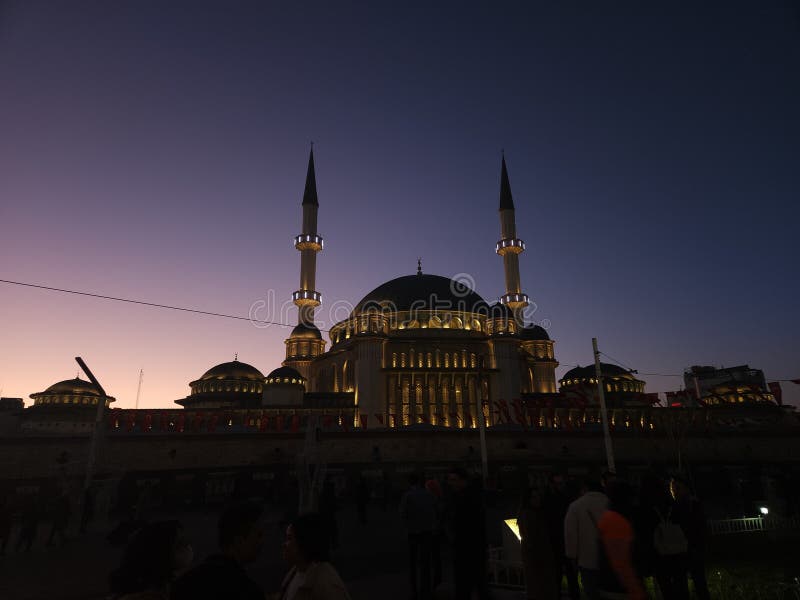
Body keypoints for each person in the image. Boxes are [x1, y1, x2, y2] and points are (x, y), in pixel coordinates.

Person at [171, 502, 264, 600]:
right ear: (239, 541)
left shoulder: (185, 583)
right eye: (258, 535)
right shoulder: (248, 591)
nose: (261, 542)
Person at [110, 520, 192, 600]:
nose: (188, 547)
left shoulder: (163, 588)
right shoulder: (146, 596)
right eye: (179, 544)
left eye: (186, 541)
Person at [278, 512, 351, 600]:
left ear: (304, 542)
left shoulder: (327, 586)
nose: (284, 544)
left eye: (289, 538)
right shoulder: (296, 571)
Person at [596, 481, 646, 600]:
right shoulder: (618, 521)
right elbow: (621, 562)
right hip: (619, 588)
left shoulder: (608, 517)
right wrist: (635, 589)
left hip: (610, 584)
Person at [446, 467, 490, 600]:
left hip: (469, 548)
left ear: (463, 481)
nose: (451, 483)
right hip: (467, 548)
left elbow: (471, 524)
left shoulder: (468, 498)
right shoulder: (460, 496)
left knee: (468, 585)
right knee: (474, 585)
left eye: (454, 480)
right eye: (450, 480)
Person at [564, 476, 608, 600]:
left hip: (586, 559)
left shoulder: (576, 506)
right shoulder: (610, 502)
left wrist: (572, 556)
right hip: (610, 557)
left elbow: (571, 535)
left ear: (584, 489)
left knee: (592, 593)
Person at [670, 476, 710, 600]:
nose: (674, 491)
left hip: (693, 547)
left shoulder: (693, 504)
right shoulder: (673, 507)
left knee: (698, 580)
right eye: (672, 488)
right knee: (682, 582)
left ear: (686, 489)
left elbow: (700, 526)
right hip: (680, 548)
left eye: (677, 488)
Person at [400, 473, 437, 599]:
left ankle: (414, 590)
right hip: (427, 532)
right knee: (425, 562)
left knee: (413, 562)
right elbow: (435, 510)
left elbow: (403, 513)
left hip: (413, 532)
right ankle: (426, 589)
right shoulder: (429, 495)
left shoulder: (408, 496)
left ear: (410, 483)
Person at [543, 472, 579, 600]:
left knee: (558, 574)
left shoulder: (547, 499)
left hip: (556, 541)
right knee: (569, 574)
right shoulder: (567, 498)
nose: (560, 486)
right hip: (564, 541)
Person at [518, 487, 558, 600]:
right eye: (534, 497)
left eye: (538, 496)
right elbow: (530, 538)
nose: (537, 499)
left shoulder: (530, 514)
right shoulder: (529, 515)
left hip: (537, 557)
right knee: (539, 587)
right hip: (537, 558)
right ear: (528, 499)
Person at [425, 478, 445, 589]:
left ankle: (435, 579)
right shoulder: (439, 499)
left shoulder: (431, 500)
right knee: (436, 556)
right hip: (436, 530)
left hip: (432, 530)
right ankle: (437, 578)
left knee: (432, 555)